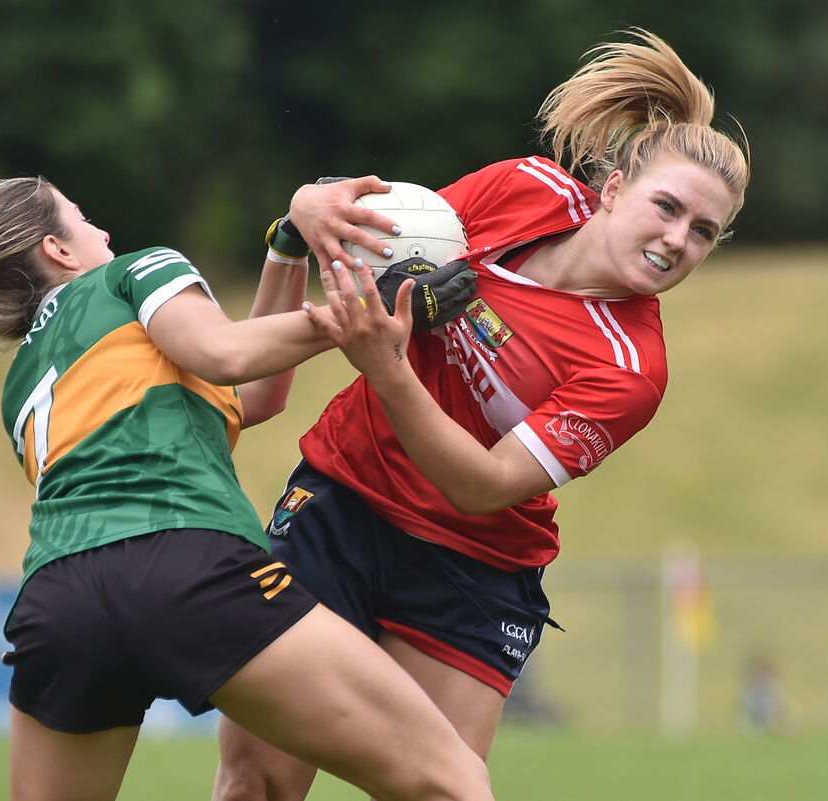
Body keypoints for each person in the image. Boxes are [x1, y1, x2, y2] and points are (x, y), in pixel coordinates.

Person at [0, 143, 494, 801]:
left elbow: (250, 395)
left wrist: (284, 245)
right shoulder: (135, 272)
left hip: (58, 606)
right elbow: (221, 353)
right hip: (188, 568)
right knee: (452, 778)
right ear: (57, 249)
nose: (104, 229)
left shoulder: (26, 380)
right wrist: (368, 317)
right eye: (85, 219)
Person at [213, 27, 750, 801]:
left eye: (702, 231)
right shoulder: (523, 188)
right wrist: (299, 222)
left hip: (473, 564)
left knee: (447, 791)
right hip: (344, 500)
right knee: (254, 781)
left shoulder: (631, 368)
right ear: (611, 189)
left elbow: (485, 485)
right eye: (666, 207)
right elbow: (371, 266)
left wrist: (389, 366)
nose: (677, 240)